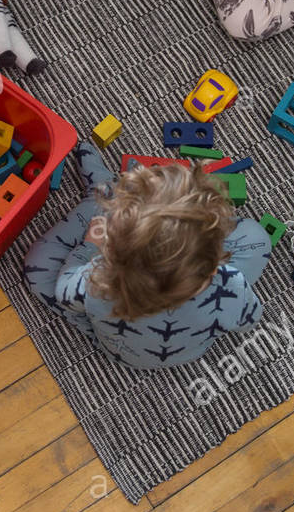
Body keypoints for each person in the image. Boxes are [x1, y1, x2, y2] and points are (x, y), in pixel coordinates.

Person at [23, 143, 271, 369]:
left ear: (110, 250)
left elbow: (63, 293)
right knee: (256, 236)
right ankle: (115, 202)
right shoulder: (228, 283)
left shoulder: (100, 279)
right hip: (183, 351)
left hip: (122, 347)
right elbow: (249, 319)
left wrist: (89, 246)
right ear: (214, 265)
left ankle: (101, 195)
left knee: (38, 264)